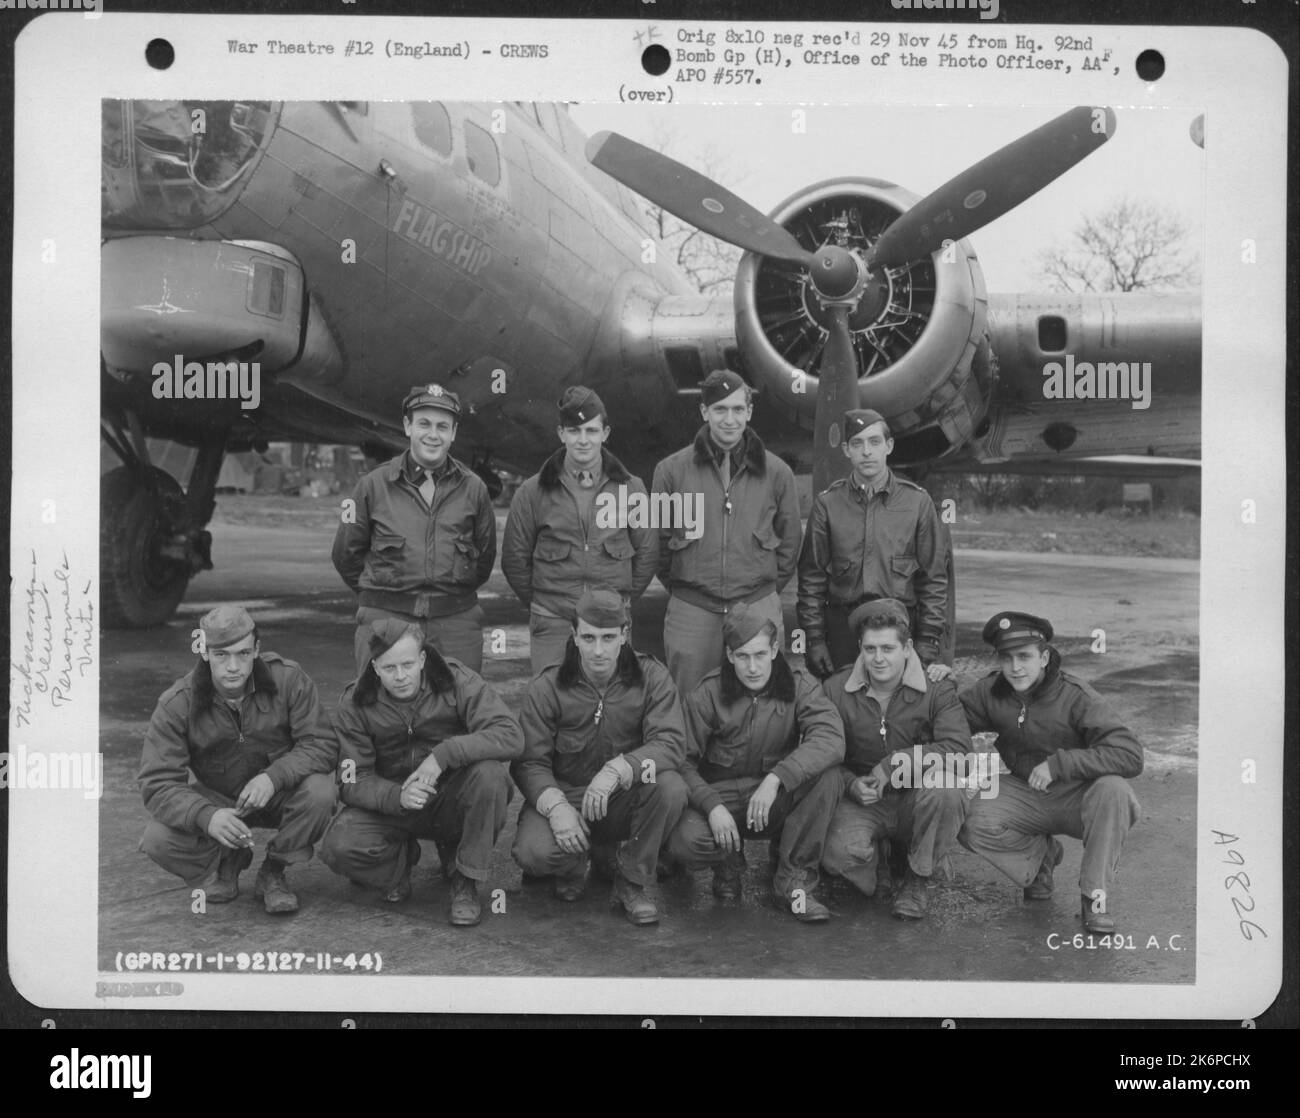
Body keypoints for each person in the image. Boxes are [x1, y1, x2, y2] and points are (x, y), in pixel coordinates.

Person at [320, 619, 522, 926]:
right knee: (339, 847)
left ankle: (464, 879)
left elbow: (509, 734)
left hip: (451, 797)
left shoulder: (459, 681)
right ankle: (398, 866)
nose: (400, 676)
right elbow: (350, 778)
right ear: (374, 667)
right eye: (389, 668)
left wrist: (444, 754)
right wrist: (396, 795)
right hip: (394, 804)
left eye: (408, 664)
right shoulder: (354, 703)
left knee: (491, 776)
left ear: (423, 659)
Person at [138, 606, 338, 914]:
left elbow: (321, 744)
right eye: (221, 655)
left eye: (244, 654)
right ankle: (227, 860)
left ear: (257, 649)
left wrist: (274, 777)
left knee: (321, 792)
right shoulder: (177, 703)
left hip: (279, 796)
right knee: (157, 838)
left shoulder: (289, 680)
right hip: (222, 802)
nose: (233, 666)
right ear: (204, 652)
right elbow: (157, 783)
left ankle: (274, 870)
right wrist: (207, 816)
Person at [956, 611, 1143, 933]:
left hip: (1077, 795)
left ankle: (1093, 898)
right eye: (1007, 658)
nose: (1016, 667)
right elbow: (950, 723)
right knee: (965, 813)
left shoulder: (1076, 695)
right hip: (1025, 791)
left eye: (1025, 657)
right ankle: (1040, 860)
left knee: (1114, 790)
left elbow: (1129, 755)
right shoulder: (990, 692)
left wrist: (1061, 764)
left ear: (1044, 657)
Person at [511, 588, 688, 926]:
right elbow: (529, 763)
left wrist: (622, 767)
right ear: (574, 636)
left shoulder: (652, 678)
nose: (598, 650)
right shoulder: (546, 686)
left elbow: (670, 742)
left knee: (669, 785)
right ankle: (578, 862)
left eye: (608, 637)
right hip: (568, 796)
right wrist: (556, 806)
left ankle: (631, 881)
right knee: (533, 853)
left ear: (625, 635)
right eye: (588, 637)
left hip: (622, 795)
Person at [665, 604, 845, 922]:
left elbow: (830, 739)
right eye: (743, 656)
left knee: (828, 776)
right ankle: (728, 862)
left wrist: (778, 777)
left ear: (775, 650)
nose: (752, 667)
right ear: (730, 655)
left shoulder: (800, 683)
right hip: (722, 801)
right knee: (686, 840)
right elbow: (681, 761)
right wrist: (711, 806)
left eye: (760, 655)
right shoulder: (706, 694)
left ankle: (793, 881)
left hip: (771, 796)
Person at [651, 369, 801, 693]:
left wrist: (760, 588)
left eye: (736, 409)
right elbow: (658, 544)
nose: (729, 419)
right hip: (693, 610)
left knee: (764, 703)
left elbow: (789, 544)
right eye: (719, 409)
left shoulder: (777, 473)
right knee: (690, 701)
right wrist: (689, 584)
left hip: (757, 605)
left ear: (749, 411)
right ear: (704, 412)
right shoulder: (670, 472)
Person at [821, 599, 971, 919]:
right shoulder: (835, 689)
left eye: (888, 648)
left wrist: (895, 764)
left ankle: (918, 878)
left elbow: (960, 753)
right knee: (838, 855)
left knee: (947, 789)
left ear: (907, 648)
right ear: (860, 647)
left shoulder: (937, 689)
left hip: (916, 798)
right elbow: (824, 750)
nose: (878, 658)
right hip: (864, 799)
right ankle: (880, 863)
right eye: (870, 649)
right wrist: (850, 785)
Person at [332, 383, 496, 676]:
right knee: (380, 711)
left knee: (460, 705)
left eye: (442, 427)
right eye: (424, 424)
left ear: (454, 433)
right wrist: (384, 595)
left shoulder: (474, 489)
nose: (433, 435)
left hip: (454, 623)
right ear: (407, 426)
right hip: (385, 619)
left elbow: (483, 559)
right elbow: (346, 555)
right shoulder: (372, 486)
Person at [502, 386, 657, 674]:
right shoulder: (532, 492)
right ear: (561, 434)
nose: (583, 440)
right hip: (553, 622)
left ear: (605, 433)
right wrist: (547, 603)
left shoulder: (632, 489)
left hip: (611, 625)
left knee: (610, 707)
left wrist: (615, 604)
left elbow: (647, 554)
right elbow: (514, 559)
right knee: (548, 708)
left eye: (591, 431)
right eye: (574, 431)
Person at [797, 408, 949, 678]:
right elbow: (812, 580)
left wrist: (928, 639)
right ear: (846, 450)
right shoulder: (827, 504)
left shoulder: (917, 503)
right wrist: (815, 639)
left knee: (900, 714)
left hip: (899, 627)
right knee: (843, 709)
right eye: (857, 443)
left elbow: (933, 580)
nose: (866, 451)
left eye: (874, 442)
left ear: (888, 446)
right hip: (843, 632)